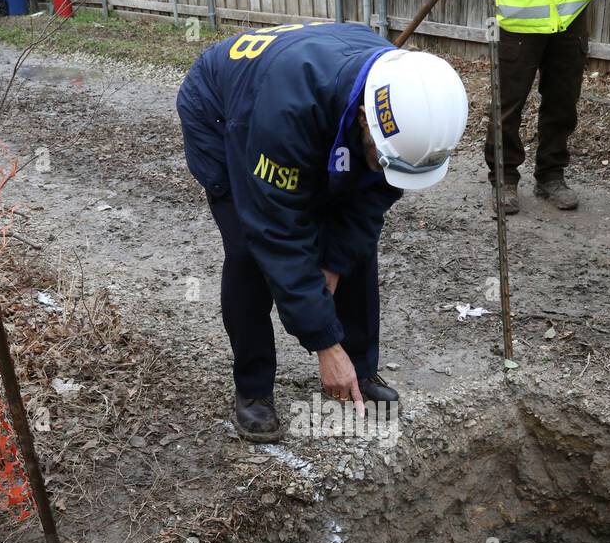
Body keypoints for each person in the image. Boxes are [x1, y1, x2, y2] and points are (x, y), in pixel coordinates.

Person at [177, 22, 468, 442]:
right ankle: (253, 390)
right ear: (367, 119)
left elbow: (370, 202)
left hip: (304, 97)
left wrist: (334, 261)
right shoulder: (287, 114)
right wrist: (324, 344)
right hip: (223, 112)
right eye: (381, 156)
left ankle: (359, 368)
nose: (385, 168)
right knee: (248, 249)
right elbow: (277, 232)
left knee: (354, 247)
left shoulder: (401, 98)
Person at [486, 0, 600, 214]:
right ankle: (504, 178)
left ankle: (551, 174)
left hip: (571, 12)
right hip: (518, 15)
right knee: (507, 104)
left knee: (563, 101)